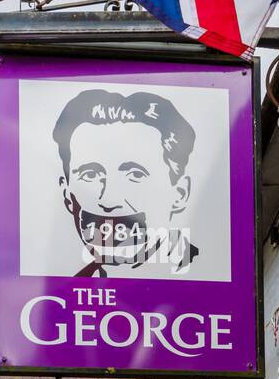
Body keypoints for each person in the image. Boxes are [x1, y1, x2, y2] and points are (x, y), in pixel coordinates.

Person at [52, 88, 199, 277]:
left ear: (180, 194)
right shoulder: (63, 291)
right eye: (90, 175)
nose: (108, 201)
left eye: (135, 175)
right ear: (67, 194)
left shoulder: (205, 275)